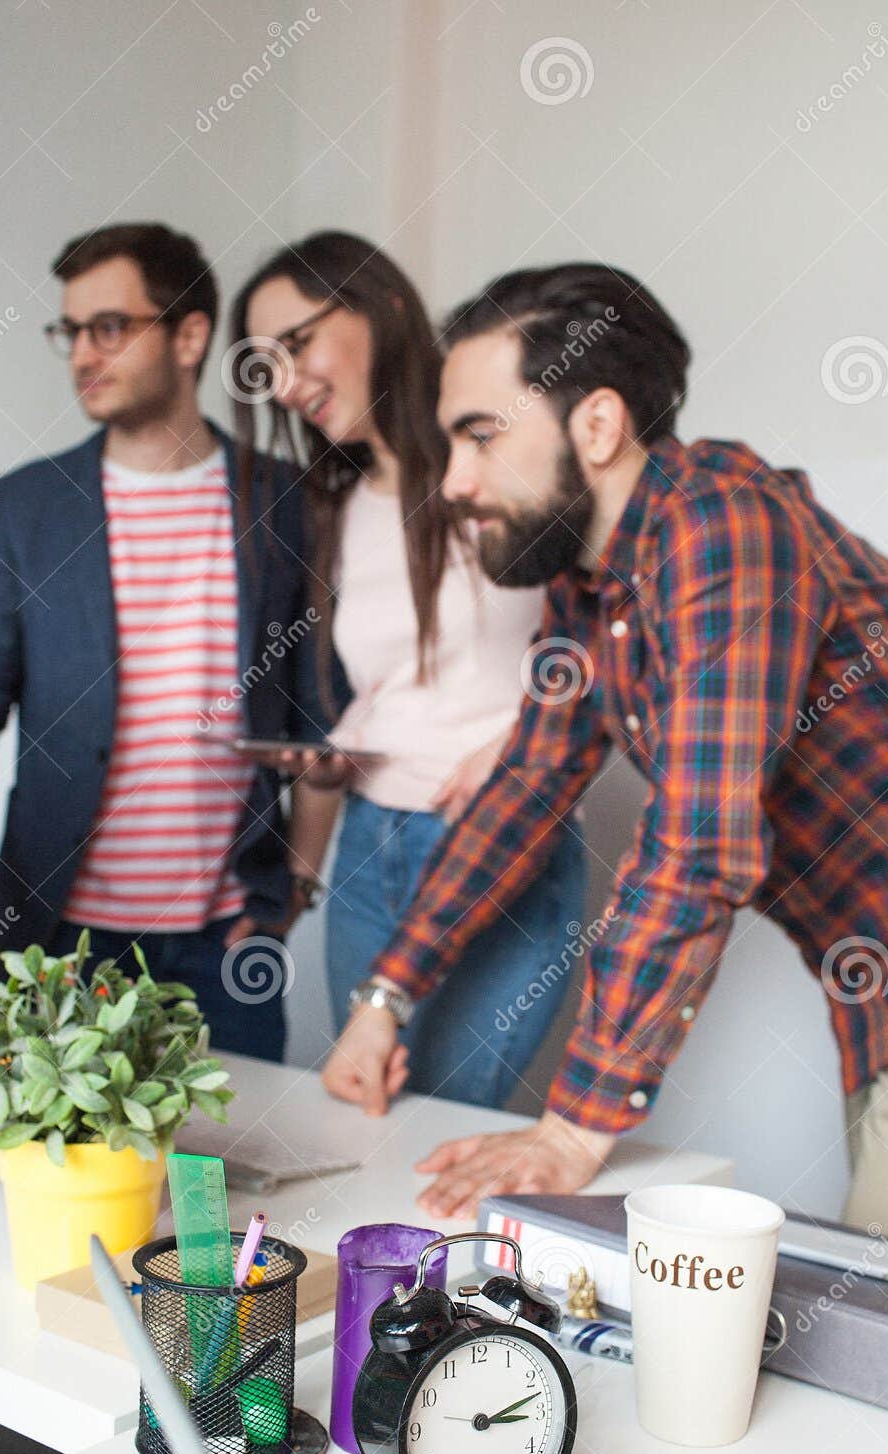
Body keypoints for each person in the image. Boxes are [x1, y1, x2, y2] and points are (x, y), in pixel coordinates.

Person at [322, 261, 888, 1250]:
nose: (454, 482)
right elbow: (525, 790)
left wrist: (573, 1126)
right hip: (885, 988)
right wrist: (385, 997)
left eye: (479, 435)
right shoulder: (589, 592)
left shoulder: (725, 527)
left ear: (596, 426)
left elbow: (699, 847)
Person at [0, 222, 330, 1060]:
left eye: (110, 327)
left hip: (230, 936)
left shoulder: (286, 503)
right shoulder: (25, 510)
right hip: (59, 933)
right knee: (62, 1175)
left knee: (216, 1177)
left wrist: (299, 885)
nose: (81, 355)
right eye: (71, 331)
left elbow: (317, 714)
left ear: (189, 335)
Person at [229, 232, 587, 1106]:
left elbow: (615, 638)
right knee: (370, 1119)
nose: (283, 383)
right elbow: (377, 697)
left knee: (448, 1125)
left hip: (497, 839)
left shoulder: (503, 466)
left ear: (381, 308)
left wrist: (520, 743)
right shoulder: (334, 506)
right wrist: (316, 814)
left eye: (298, 344)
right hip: (366, 846)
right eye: (263, 363)